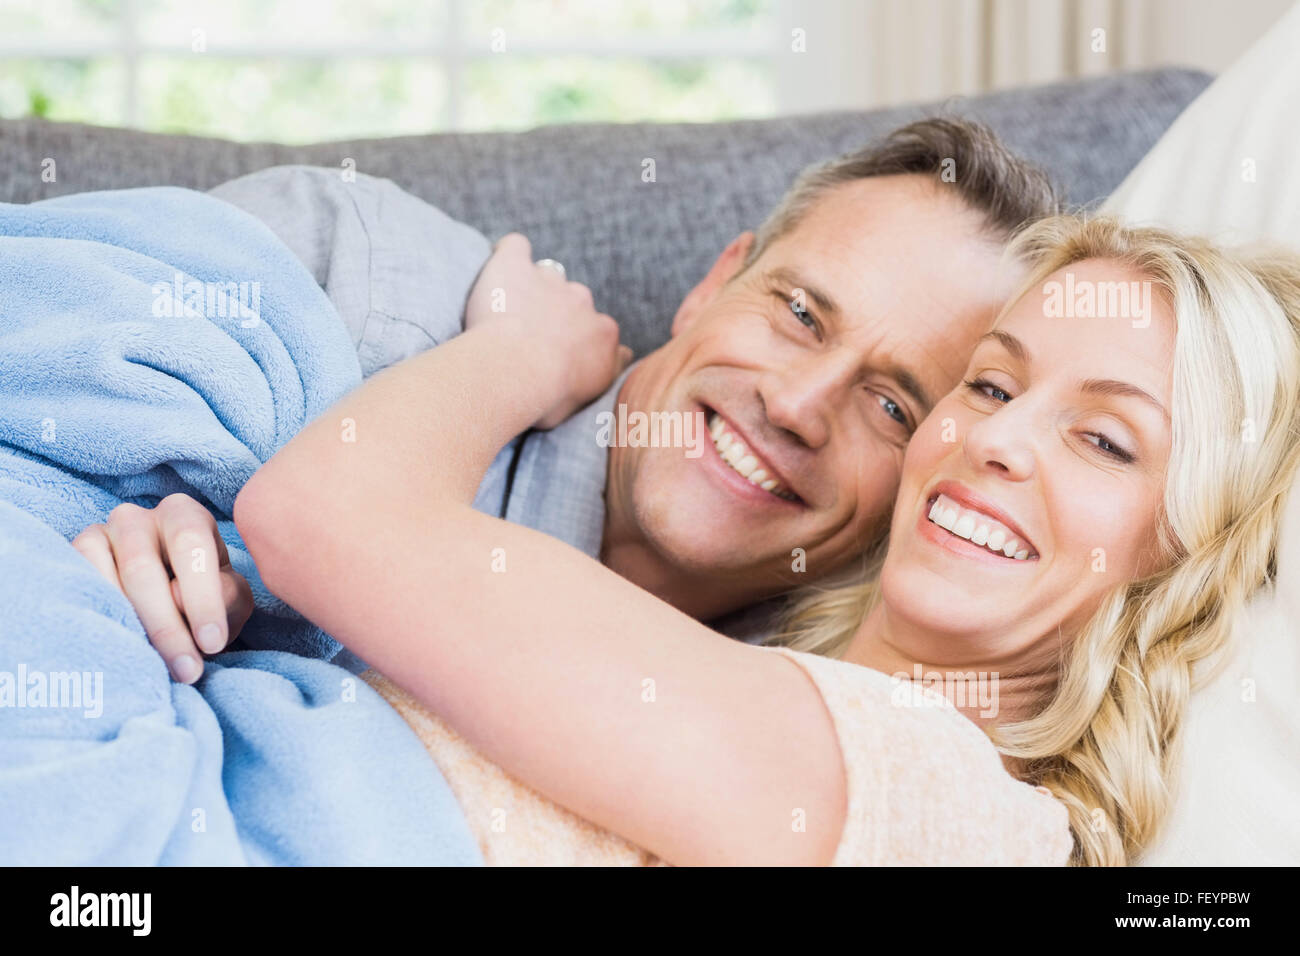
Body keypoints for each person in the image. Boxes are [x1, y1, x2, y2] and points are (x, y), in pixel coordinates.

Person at [215, 217, 1300, 865]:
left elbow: (317, 515)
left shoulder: (939, 803)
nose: (996, 439)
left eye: (1105, 441)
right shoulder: (751, 673)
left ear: (1185, 548)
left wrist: (525, 353)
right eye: (990, 382)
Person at [70, 118, 1060, 682]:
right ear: (715, 283)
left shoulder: (799, 706)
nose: (801, 404)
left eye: (893, 405)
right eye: (799, 312)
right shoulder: (359, 275)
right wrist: (72, 544)